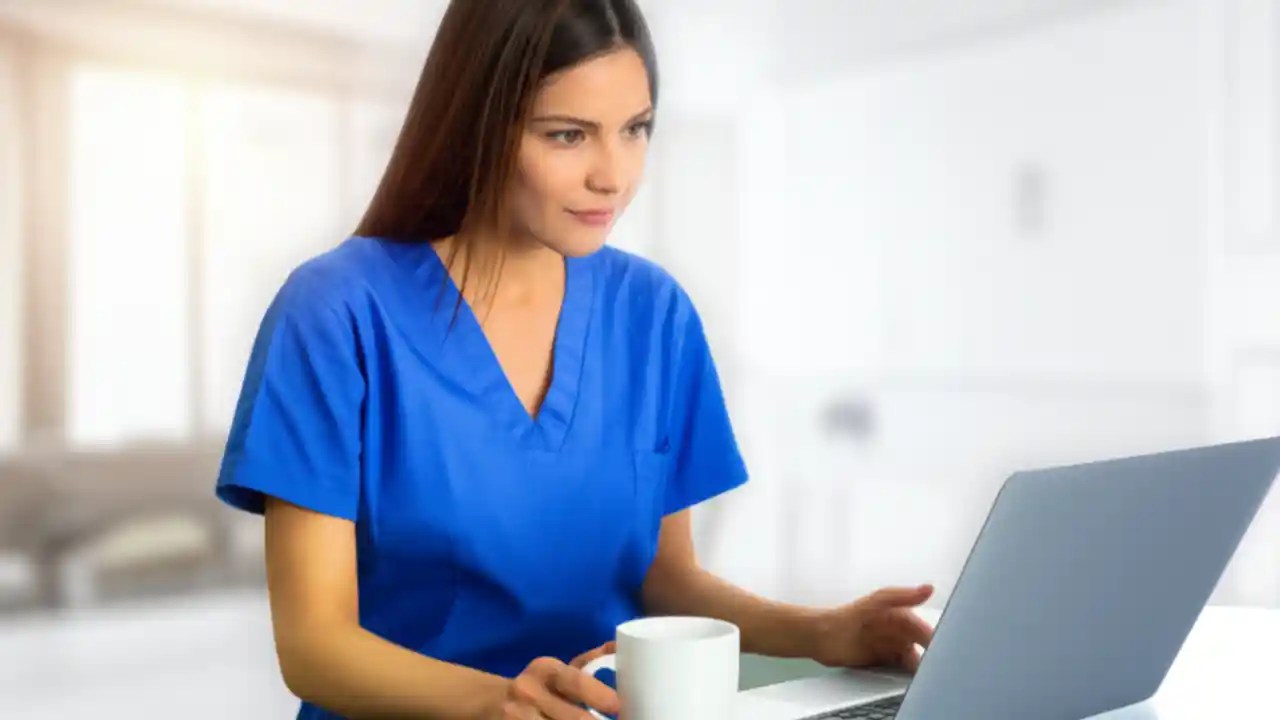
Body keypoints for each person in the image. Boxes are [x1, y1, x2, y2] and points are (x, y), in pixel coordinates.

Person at [214, 1, 935, 718]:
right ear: (477, 125)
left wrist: (824, 631)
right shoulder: (337, 312)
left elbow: (666, 580)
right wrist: (499, 703)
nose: (613, 176)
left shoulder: (654, 314)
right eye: (568, 135)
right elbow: (313, 646)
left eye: (635, 130)